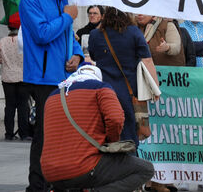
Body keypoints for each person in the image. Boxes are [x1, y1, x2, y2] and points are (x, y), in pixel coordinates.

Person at [19, 0, 83, 192]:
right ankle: (37, 186)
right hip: (44, 77)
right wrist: (67, 18)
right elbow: (42, 34)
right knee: (45, 136)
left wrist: (76, 54)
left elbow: (69, 35)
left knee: (64, 135)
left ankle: (58, 182)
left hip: (65, 77)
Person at [41, 63, 154, 192]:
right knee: (145, 169)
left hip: (50, 172)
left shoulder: (53, 96)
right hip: (83, 167)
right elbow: (115, 119)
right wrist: (111, 142)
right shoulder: (100, 88)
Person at [88, 7, 159, 146]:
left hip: (105, 92)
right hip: (129, 91)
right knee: (130, 134)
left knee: (108, 131)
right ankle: (130, 163)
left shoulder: (95, 34)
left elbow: (93, 56)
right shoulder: (134, 32)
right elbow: (147, 60)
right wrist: (155, 88)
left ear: (105, 15)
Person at [0, 12, 31, 141]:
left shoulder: (2, 41)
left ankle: (8, 133)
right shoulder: (26, 41)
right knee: (23, 106)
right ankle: (24, 133)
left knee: (9, 106)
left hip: (8, 77)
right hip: (23, 77)